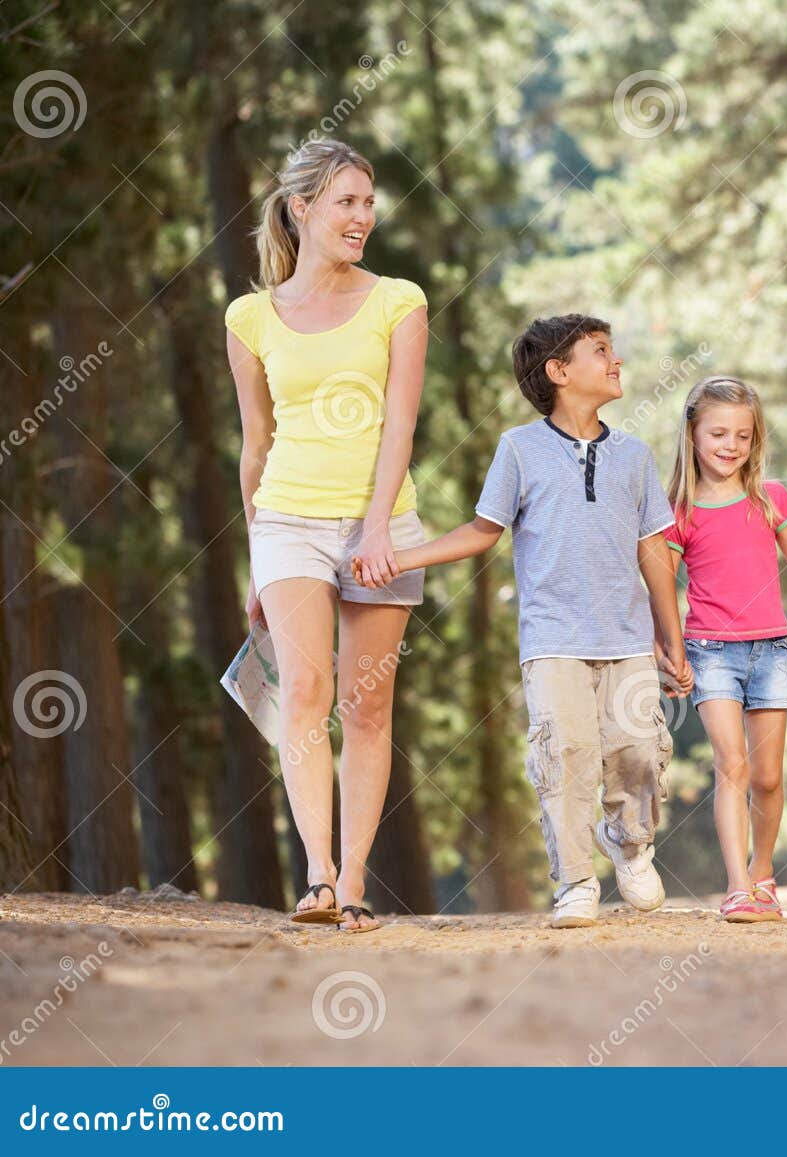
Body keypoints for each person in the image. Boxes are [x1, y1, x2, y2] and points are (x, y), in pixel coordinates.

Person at [354, 315, 690, 929]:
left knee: (639, 752)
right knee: (566, 755)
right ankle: (576, 880)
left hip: (628, 638)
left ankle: (631, 845)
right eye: (600, 352)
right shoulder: (519, 449)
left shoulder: (635, 457)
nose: (616, 362)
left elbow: (654, 551)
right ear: (559, 373)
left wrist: (672, 637)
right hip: (553, 637)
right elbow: (484, 532)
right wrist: (399, 558)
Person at [226, 139, 429, 934]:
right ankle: (316, 877)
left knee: (366, 705)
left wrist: (378, 526)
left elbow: (401, 422)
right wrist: (255, 555)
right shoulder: (250, 315)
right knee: (304, 695)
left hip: (381, 520)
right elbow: (255, 441)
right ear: (301, 208)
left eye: (368, 203)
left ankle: (354, 881)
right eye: (347, 201)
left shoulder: (399, 301)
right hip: (286, 521)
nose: (363, 217)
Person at [662, 377, 787, 922]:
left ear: (756, 440)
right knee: (733, 765)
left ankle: (764, 874)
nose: (730, 446)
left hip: (770, 651)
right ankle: (736, 888)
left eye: (743, 437)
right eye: (718, 433)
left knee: (768, 776)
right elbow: (661, 588)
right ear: (693, 434)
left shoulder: (769, 499)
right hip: (710, 653)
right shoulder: (678, 511)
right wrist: (668, 648)